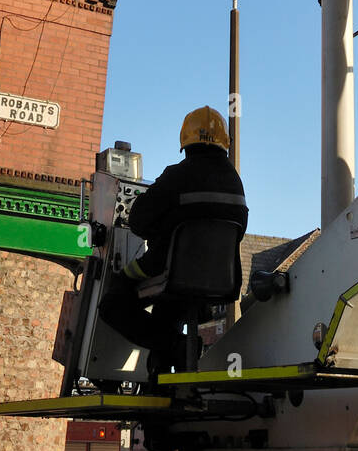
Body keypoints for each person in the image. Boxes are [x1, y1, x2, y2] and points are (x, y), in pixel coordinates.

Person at [98, 106, 248, 375]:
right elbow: (239, 230)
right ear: (224, 144)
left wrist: (161, 231)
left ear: (186, 143)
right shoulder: (235, 182)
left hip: (169, 273)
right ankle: (165, 371)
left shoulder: (177, 175)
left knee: (113, 302)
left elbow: (138, 221)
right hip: (220, 280)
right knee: (171, 304)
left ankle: (174, 348)